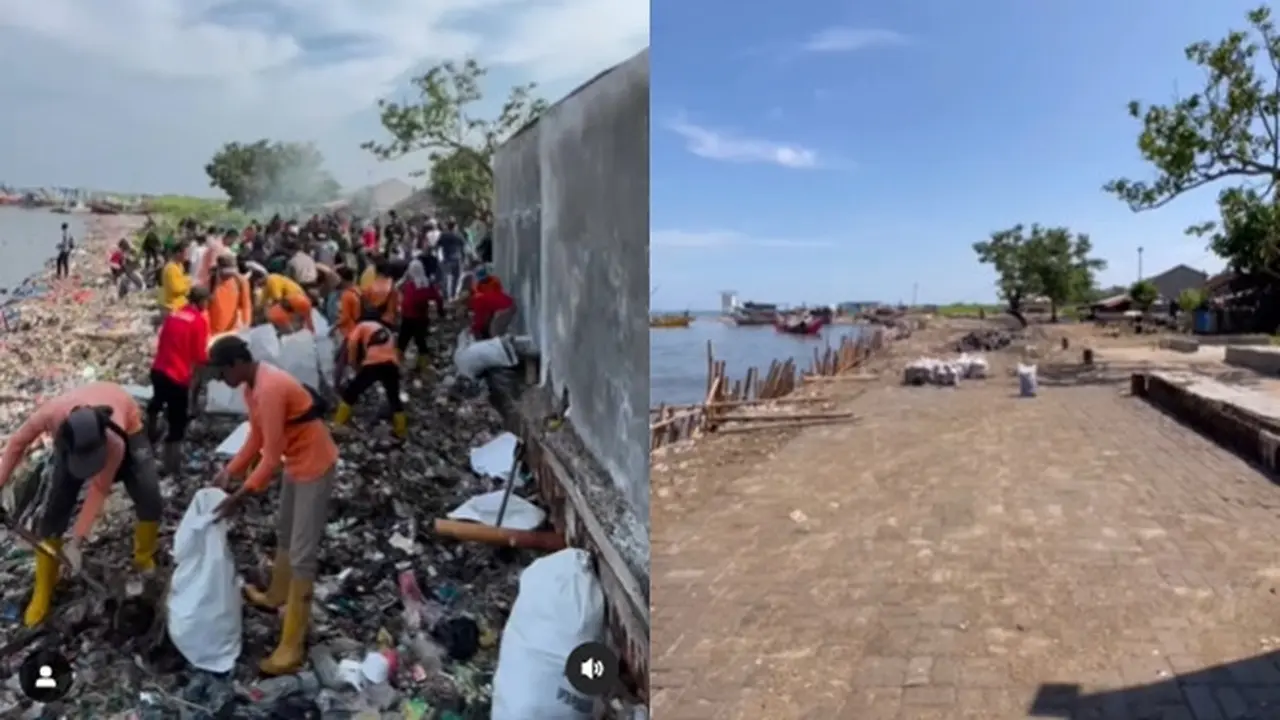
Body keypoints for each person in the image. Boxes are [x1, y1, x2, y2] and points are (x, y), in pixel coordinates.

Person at [205, 335, 338, 675]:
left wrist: (241, 495)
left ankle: (292, 646)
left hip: (314, 465)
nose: (221, 380)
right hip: (296, 462)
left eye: (222, 372)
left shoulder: (270, 388)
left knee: (303, 554)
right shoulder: (252, 387)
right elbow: (257, 436)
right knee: (285, 533)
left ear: (237, 363)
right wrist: (230, 471)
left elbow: (271, 455)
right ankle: (277, 594)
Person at [0, 384, 163, 627]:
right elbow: (16, 445)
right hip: (72, 444)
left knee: (149, 496)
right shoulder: (49, 415)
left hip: (129, 432)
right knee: (55, 509)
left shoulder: (115, 440)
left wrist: (77, 542)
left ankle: (144, 558)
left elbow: (99, 488)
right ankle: (43, 589)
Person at [147, 288, 211, 475]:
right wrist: (194, 391)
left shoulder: (174, 315)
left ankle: (149, 440)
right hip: (177, 376)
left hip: (158, 370)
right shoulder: (198, 321)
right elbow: (199, 357)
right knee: (177, 425)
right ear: (201, 301)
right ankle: (172, 468)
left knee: (157, 404)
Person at [334, 319, 406, 438]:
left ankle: (337, 423)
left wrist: (353, 364)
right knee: (394, 397)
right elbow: (393, 349)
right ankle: (401, 431)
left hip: (374, 363)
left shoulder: (361, 326)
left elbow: (352, 343)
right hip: (391, 364)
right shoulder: (384, 329)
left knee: (352, 392)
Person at [397, 258, 437, 374]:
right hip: (422, 318)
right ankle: (423, 367)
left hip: (408, 318)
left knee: (402, 341)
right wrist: (440, 311)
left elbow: (398, 289)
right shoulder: (427, 283)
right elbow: (436, 297)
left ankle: (396, 365)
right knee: (420, 342)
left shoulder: (409, 284)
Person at [207, 256, 253, 335]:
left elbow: (246, 306)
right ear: (219, 269)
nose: (229, 275)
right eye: (226, 273)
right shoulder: (211, 280)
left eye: (232, 273)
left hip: (232, 330)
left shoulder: (240, 282)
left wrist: (246, 325)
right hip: (212, 330)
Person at [468, 268, 516, 339]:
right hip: (501, 305)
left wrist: (474, 329)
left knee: (494, 332)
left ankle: (503, 341)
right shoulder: (478, 289)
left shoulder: (478, 299)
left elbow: (479, 318)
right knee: (495, 328)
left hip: (503, 308)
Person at [158, 241, 191, 318]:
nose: (187, 256)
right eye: (185, 254)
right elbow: (176, 288)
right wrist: (187, 284)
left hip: (180, 303)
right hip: (173, 306)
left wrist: (186, 282)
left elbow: (183, 281)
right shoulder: (171, 268)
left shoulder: (180, 265)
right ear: (178, 253)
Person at [437, 221, 466, 300]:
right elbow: (463, 248)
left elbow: (438, 246)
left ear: (448, 227)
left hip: (447, 259)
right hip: (457, 258)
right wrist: (464, 259)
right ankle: (453, 295)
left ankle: (446, 296)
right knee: (456, 278)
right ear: (455, 227)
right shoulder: (459, 235)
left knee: (446, 277)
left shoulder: (443, 235)